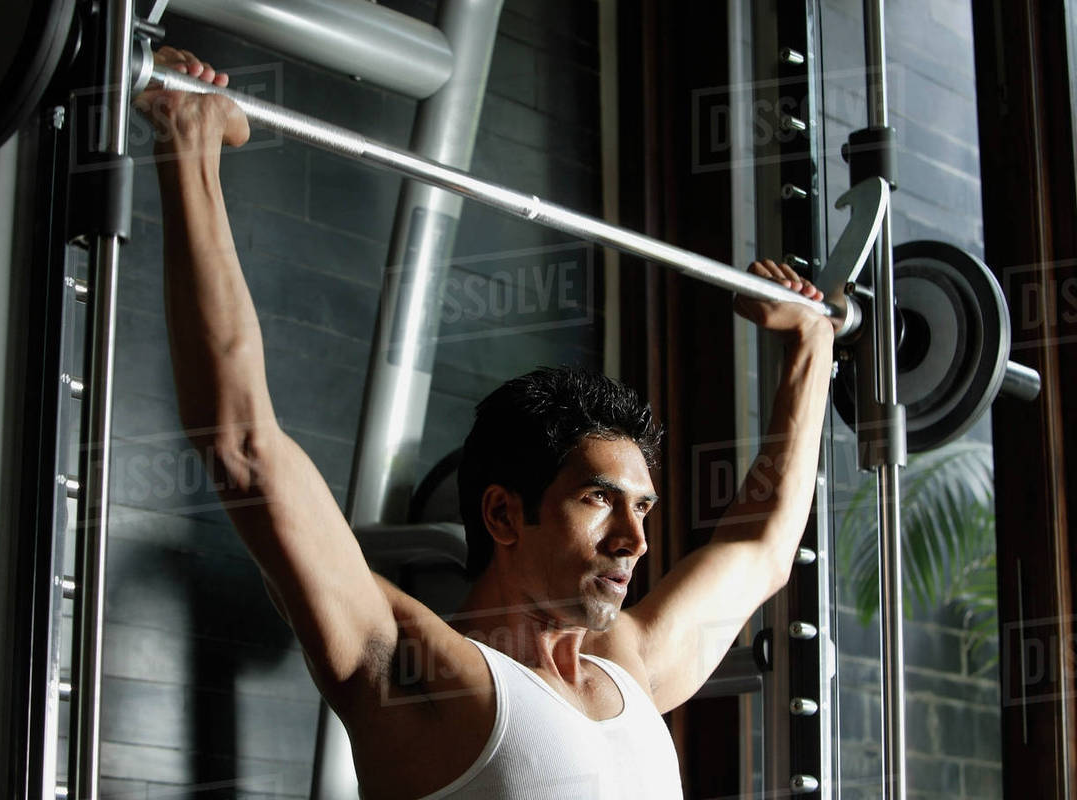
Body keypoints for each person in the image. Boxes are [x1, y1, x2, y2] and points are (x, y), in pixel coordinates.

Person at [137, 47, 836, 799]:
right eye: (599, 500)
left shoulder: (631, 667)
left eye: (643, 508)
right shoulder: (425, 676)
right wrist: (191, 151)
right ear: (504, 512)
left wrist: (810, 347)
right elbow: (244, 447)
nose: (634, 541)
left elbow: (763, 551)